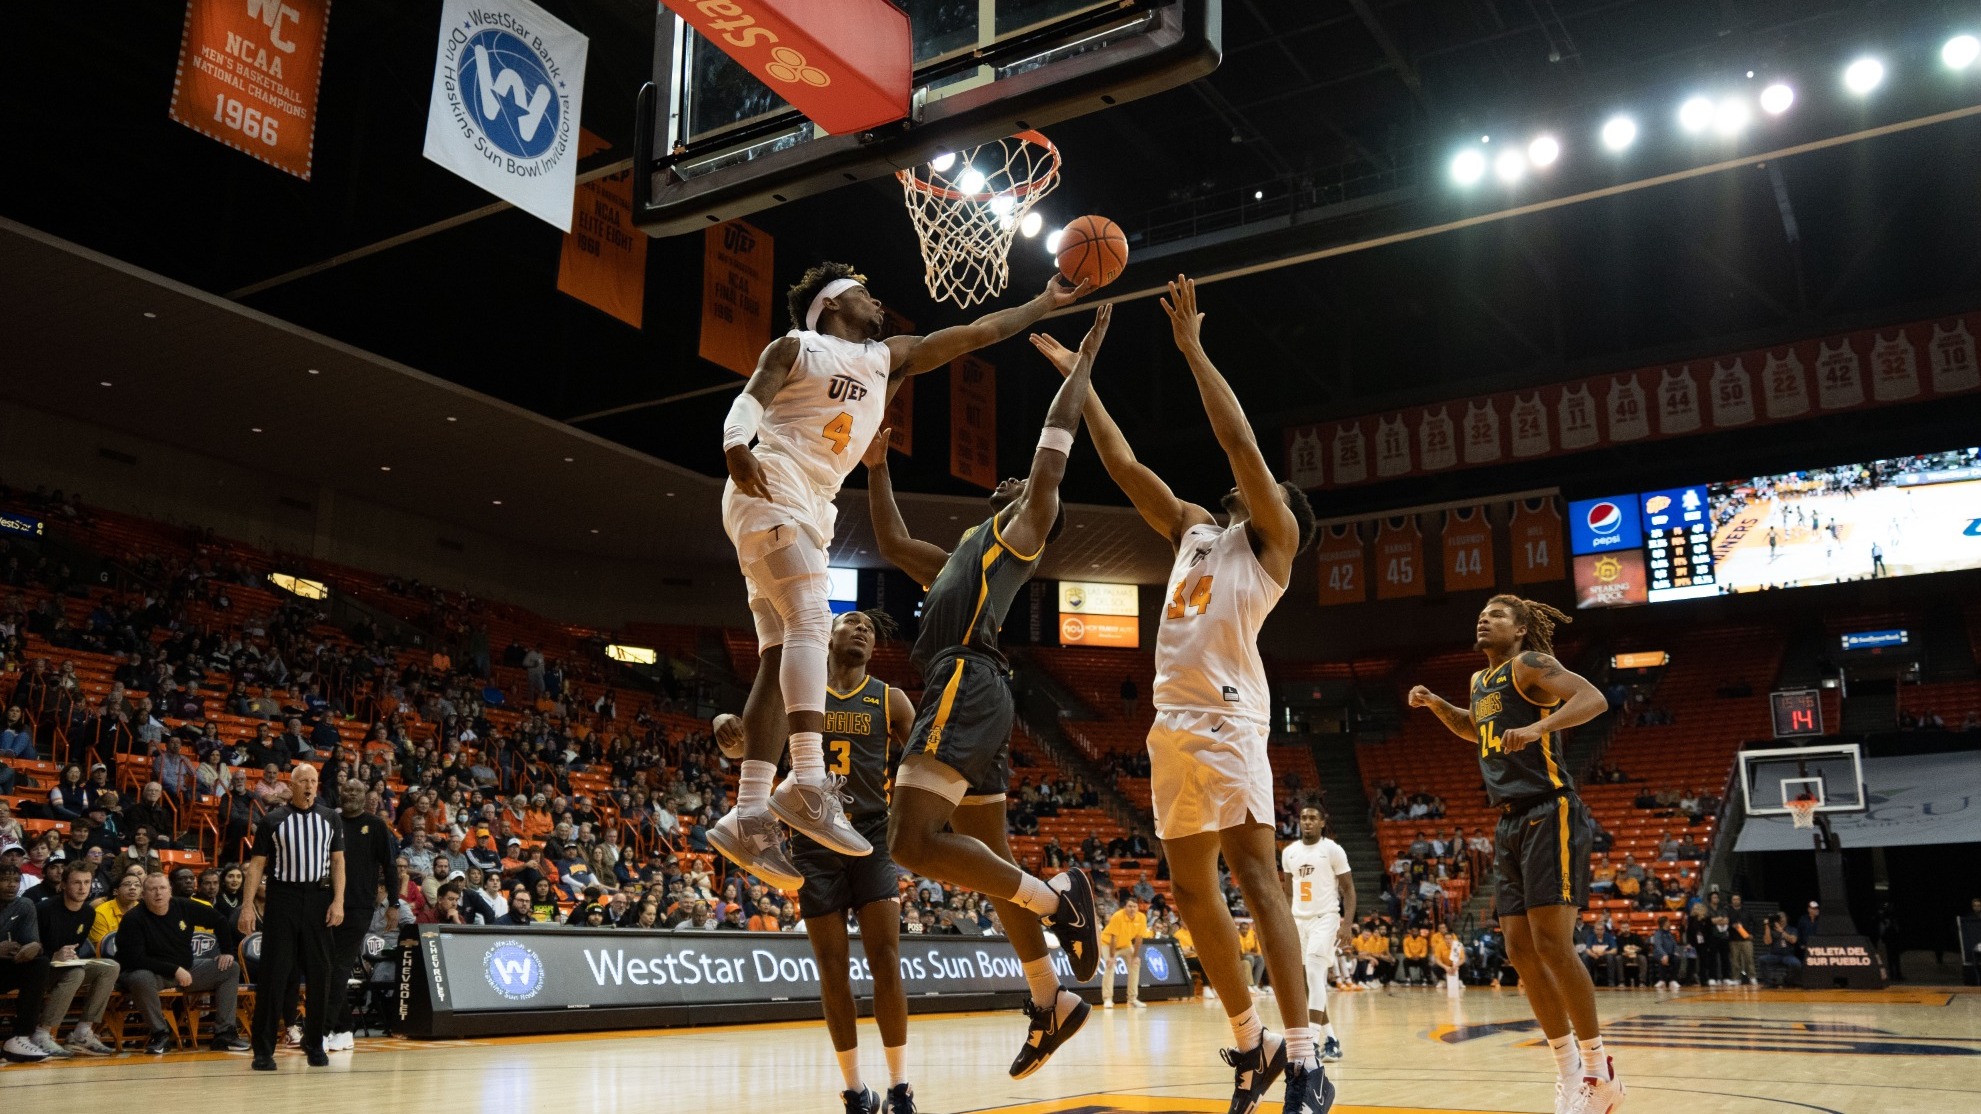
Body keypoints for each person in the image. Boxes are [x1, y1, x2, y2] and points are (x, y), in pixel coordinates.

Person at [1032, 275, 1331, 1114]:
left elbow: (1239, 444)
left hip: (1231, 717)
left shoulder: (1272, 539)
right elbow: (1124, 465)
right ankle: (1252, 1046)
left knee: (1256, 879)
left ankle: (1306, 1059)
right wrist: (1077, 381)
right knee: (1193, 894)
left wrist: (1192, 349)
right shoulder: (1195, 527)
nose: (1244, 485)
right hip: (1171, 725)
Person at [707, 262, 1088, 890]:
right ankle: (806, 782)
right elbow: (753, 391)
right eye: (861, 291)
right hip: (771, 479)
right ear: (829, 306)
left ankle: (749, 811)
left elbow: (977, 331)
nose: (875, 298)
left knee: (779, 655)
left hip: (810, 504)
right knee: (811, 623)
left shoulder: (890, 357)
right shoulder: (799, 345)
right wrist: (734, 443)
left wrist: (1043, 302)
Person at [865, 307, 1113, 1081]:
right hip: (971, 687)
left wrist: (1079, 368)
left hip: (963, 681)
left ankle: (1060, 897)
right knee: (985, 856)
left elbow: (1052, 449)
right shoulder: (958, 556)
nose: (1011, 481)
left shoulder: (1021, 530)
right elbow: (890, 543)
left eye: (1022, 486)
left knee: (908, 840)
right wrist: (875, 466)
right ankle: (1052, 999)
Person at [1408, 596, 1623, 1114]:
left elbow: (1593, 698)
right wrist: (1440, 706)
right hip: (1509, 822)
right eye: (1480, 612)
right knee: (1522, 951)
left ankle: (1598, 1070)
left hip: (1551, 810)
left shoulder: (1529, 666)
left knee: (1552, 943)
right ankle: (1569, 1072)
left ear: (1522, 629)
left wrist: (1538, 727)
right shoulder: (1481, 682)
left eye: (1497, 614)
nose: (1484, 618)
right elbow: (1476, 730)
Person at [716, 608, 917, 1114]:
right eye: (852, 621)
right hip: (810, 844)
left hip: (869, 836)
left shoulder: (890, 698)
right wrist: (729, 730)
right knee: (831, 969)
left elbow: (922, 755)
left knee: (887, 961)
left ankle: (899, 1086)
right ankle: (854, 1089)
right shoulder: (798, 692)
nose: (864, 629)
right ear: (826, 634)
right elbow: (749, 742)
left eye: (870, 627)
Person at [239, 763, 345, 1070]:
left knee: (319, 974)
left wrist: (338, 902)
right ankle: (263, 1050)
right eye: (304, 781)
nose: (309, 786)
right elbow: (257, 865)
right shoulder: (273, 820)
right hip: (282, 898)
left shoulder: (330, 818)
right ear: (292, 785)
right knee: (274, 973)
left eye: (313, 781)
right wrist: (247, 906)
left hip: (319, 898)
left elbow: (338, 863)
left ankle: (315, 1044)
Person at [117, 873, 250, 1054]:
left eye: (162, 888)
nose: (158, 893)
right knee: (140, 977)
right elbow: (134, 959)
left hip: (186, 970)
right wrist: (175, 969)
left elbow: (219, 920)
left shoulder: (183, 906)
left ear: (170, 891)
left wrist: (227, 951)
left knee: (230, 968)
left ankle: (224, 1034)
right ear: (143, 894)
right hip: (151, 973)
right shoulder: (133, 919)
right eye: (152, 889)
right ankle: (160, 1034)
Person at [322, 779, 399, 1055]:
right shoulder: (330, 820)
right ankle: (343, 1031)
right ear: (339, 792)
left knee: (339, 967)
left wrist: (394, 903)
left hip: (359, 907)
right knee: (326, 967)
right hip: (328, 905)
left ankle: (322, 1030)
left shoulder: (376, 825)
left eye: (357, 790)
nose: (351, 793)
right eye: (347, 789)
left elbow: (390, 866)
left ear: (366, 796)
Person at [1281, 803, 1352, 1062]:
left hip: (1325, 918)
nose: (1307, 822)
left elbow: (1349, 890)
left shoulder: (1332, 850)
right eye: (1303, 818)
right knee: (1309, 986)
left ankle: (1310, 1043)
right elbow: (1288, 893)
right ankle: (1331, 1039)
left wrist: (1346, 925)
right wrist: (1286, 924)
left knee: (1314, 972)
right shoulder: (1289, 853)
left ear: (1322, 822)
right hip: (1299, 921)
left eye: (1312, 818)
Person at [30, 863, 118, 1057]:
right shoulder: (43, 909)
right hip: (37, 968)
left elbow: (75, 945)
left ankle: (82, 1032)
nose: (82, 888)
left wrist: (66, 956)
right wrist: (52, 954)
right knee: (75, 973)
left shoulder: (88, 912)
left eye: (87, 882)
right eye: (77, 882)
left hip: (64, 966)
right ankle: (42, 1033)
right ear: (63, 885)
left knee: (110, 967)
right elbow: (27, 945)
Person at [0, 861, 53, 1062]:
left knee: (40, 963)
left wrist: (34, 947)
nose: (12, 885)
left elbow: (32, 940)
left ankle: (20, 1037)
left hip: (5, 968)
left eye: (15, 880)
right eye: (5, 880)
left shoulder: (24, 905)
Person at [1100, 895, 1150, 1009]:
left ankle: (1132, 999)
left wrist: (1135, 956)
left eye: (1134, 906)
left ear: (1137, 908)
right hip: (1108, 943)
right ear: (1125, 907)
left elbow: (1138, 939)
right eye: (1129, 906)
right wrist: (1112, 957)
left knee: (1135, 965)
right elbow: (1114, 938)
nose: (1132, 909)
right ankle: (1107, 999)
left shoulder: (1141, 917)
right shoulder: (1118, 916)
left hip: (1125, 944)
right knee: (1110, 966)